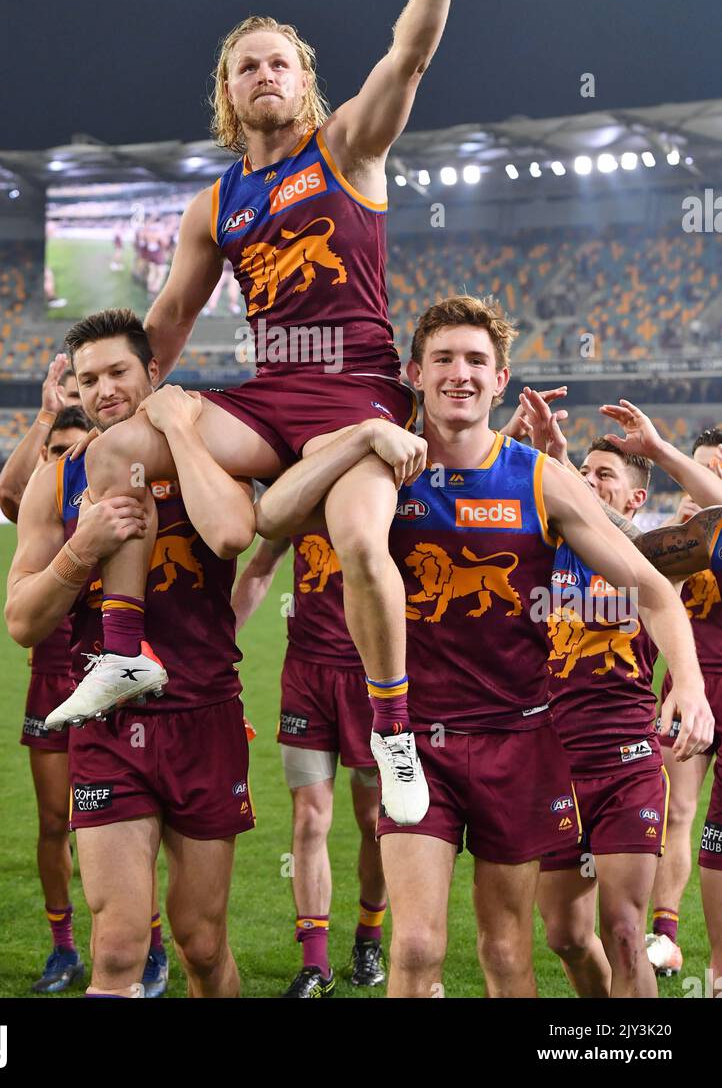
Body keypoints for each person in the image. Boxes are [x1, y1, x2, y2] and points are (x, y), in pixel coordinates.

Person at [56, 0, 480, 826]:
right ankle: (126, 649)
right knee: (120, 449)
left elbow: (408, 58)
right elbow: (165, 317)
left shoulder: (347, 148)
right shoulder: (214, 203)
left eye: (279, 61)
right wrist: (128, 390)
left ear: (304, 78)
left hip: (360, 390)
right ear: (227, 90)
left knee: (363, 542)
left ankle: (394, 729)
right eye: (247, 64)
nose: (264, 74)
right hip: (272, 392)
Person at [251, 296, 713, 997]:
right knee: (413, 948)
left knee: (505, 953)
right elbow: (271, 515)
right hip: (413, 745)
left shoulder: (538, 478)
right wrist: (357, 440)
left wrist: (688, 680)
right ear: (414, 372)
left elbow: (650, 585)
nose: (459, 374)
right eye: (442, 359)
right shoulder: (380, 470)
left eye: (476, 361)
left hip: (521, 744)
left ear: (501, 380)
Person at [6, 308, 256, 997]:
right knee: (116, 947)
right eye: (88, 380)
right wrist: (81, 548)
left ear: (153, 371)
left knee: (203, 943)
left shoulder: (210, 451)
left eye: (118, 371)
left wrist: (180, 430)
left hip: (205, 717)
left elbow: (237, 534)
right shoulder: (55, 485)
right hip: (109, 722)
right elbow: (22, 622)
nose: (104, 389)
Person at [512, 393, 715, 998]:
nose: (588, 482)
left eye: (604, 476)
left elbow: (718, 522)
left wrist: (656, 449)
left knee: (625, 931)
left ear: (636, 499)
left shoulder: (656, 559)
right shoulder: (540, 551)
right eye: (583, 475)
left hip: (625, 759)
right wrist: (543, 455)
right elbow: (474, 493)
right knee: (567, 938)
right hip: (549, 762)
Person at [233, 530, 387, 997]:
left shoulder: (392, 491)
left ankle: (369, 936)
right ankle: (315, 963)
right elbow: (259, 568)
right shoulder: (300, 494)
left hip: (374, 678)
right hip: (306, 676)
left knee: (374, 822)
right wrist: (217, 644)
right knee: (308, 819)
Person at [16, 404, 90, 993]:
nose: (68, 458)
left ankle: (148, 944)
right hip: (50, 680)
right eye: (57, 450)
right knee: (53, 821)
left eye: (76, 448)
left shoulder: (116, 498)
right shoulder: (40, 510)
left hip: (106, 681)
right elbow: (5, 489)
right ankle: (63, 949)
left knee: (114, 820)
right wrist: (42, 422)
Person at [646, 428, 722, 975]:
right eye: (697, 467)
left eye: (714, 468)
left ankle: (717, 967)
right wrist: (682, 538)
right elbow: (657, 608)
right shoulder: (676, 535)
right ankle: (665, 934)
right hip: (692, 686)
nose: (700, 479)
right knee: (677, 809)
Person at [0, 354, 85, 523]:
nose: (82, 402)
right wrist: (47, 413)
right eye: (75, 395)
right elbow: (11, 496)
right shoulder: (46, 449)